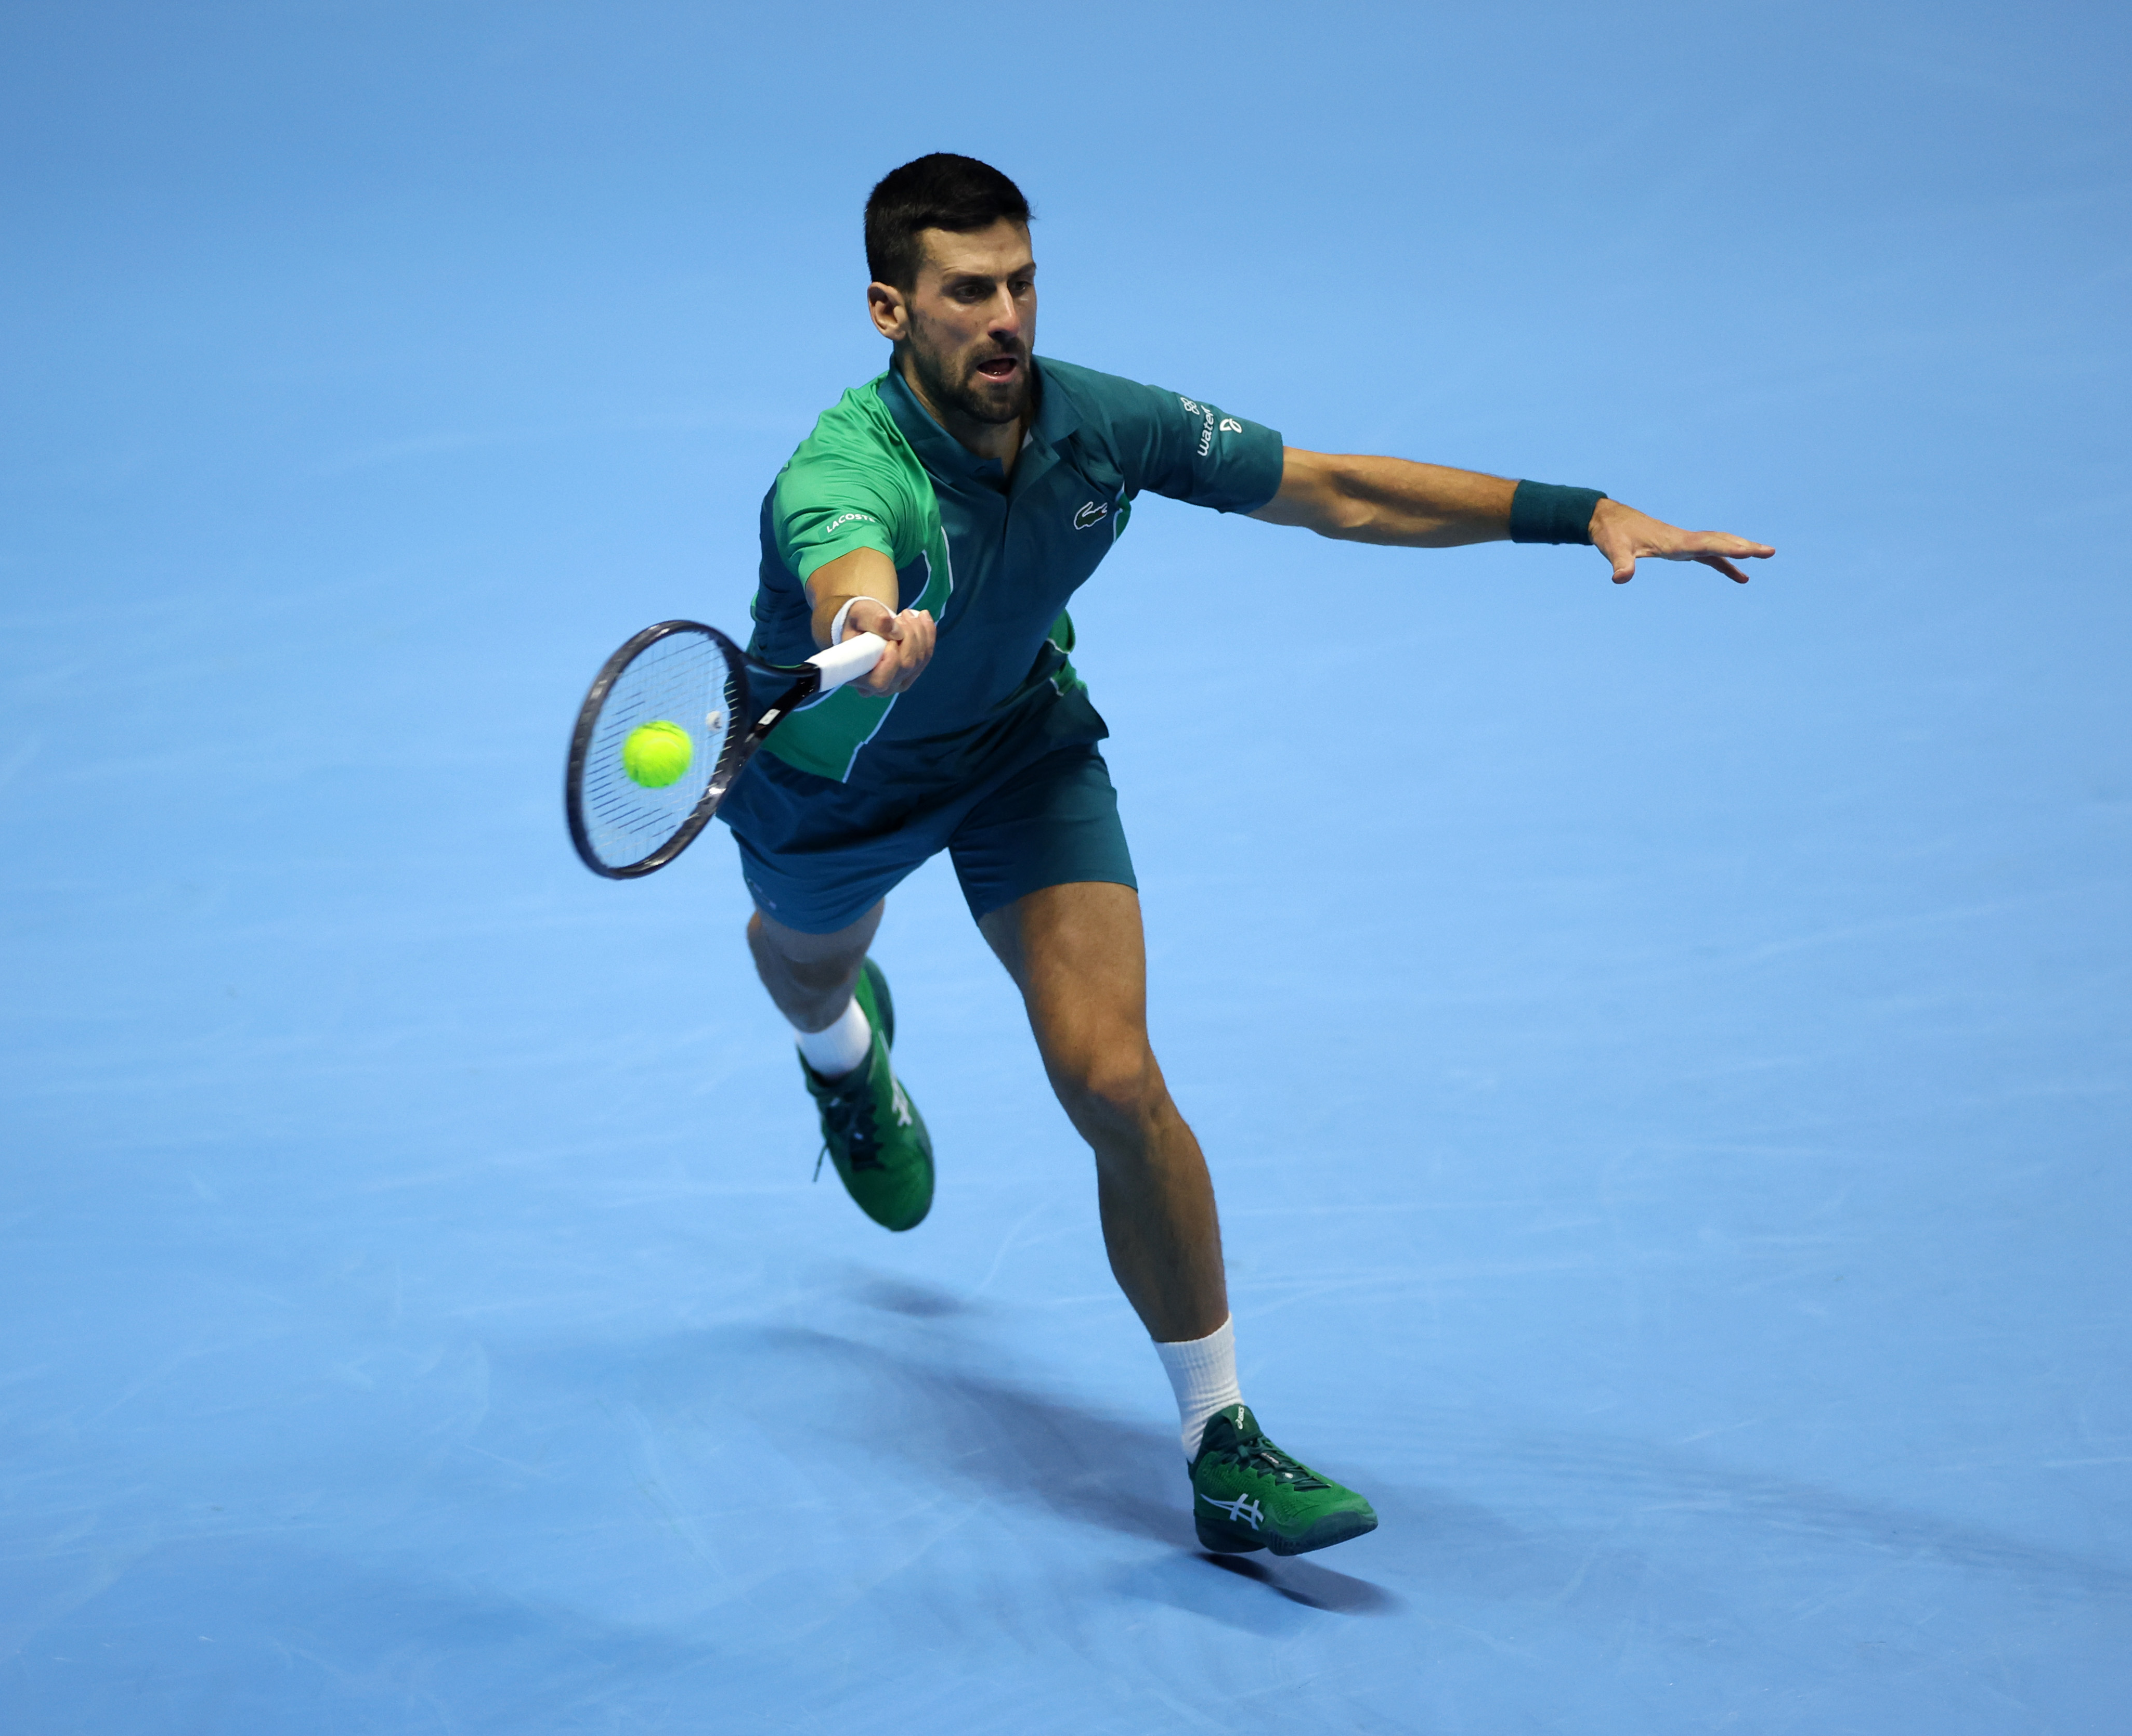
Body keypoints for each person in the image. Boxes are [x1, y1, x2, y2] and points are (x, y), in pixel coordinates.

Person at [717, 153, 1773, 1558]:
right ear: (887, 311)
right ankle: (847, 1060)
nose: (1008, 317)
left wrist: (1577, 510)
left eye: (1023, 281)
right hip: (832, 795)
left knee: (1113, 1075)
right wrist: (876, 620)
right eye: (967, 292)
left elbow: (1333, 487)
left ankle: (1221, 1444)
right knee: (805, 972)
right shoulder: (847, 469)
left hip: (1022, 754)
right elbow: (845, 557)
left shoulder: (1095, 424)